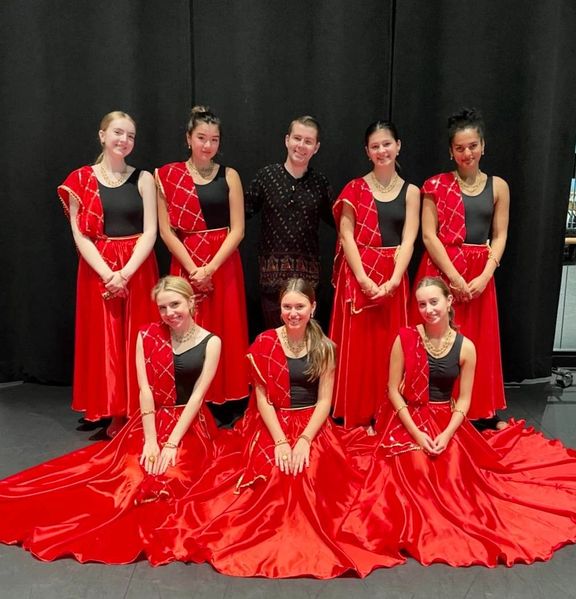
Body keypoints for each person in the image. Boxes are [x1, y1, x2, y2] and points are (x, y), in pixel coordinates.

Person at [341, 277, 576, 567]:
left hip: (445, 421)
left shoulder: (466, 348)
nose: (428, 309)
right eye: (422, 304)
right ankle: (416, 528)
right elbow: (392, 390)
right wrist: (415, 432)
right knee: (414, 465)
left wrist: (448, 433)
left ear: (449, 302)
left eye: (434, 302)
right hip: (406, 419)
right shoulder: (405, 338)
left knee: (450, 473)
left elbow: (463, 400)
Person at [152, 278, 400, 577]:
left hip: (312, 426)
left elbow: (324, 402)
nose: (293, 313)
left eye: (300, 306)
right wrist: (282, 441)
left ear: (313, 307)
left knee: (309, 473)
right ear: (279, 308)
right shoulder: (264, 343)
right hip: (272, 424)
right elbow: (264, 400)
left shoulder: (326, 347)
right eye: (287, 307)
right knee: (275, 473)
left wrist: (306, 439)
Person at [0, 276, 240, 564]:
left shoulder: (211, 342)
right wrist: (152, 440)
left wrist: (172, 444)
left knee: (172, 478)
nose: (169, 313)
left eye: (175, 304)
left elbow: (198, 396)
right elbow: (145, 389)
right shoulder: (146, 335)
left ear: (190, 301)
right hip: (150, 421)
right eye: (162, 308)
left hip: (189, 426)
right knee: (131, 474)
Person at [57, 110, 158, 437]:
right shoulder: (80, 180)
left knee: (137, 341)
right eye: (118, 132)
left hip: (137, 269)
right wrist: (108, 274)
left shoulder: (143, 179)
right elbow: (79, 235)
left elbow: (151, 232)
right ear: (102, 135)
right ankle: (112, 408)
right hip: (97, 270)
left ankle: (137, 409)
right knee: (106, 342)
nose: (124, 140)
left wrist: (125, 273)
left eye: (130, 135)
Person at [413, 108, 509, 429]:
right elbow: (428, 235)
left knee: (477, 342)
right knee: (436, 341)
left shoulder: (498, 187)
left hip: (481, 275)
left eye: (472, 146)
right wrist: (453, 276)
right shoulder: (435, 185)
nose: (467, 153)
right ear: (450, 151)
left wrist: (485, 275)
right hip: (441, 272)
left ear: (483, 146)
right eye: (460, 148)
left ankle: (479, 411)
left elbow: (500, 234)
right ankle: (430, 408)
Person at [156, 106, 248, 410]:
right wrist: (194, 268)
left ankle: (226, 396)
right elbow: (167, 232)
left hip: (223, 263)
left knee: (226, 327)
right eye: (201, 138)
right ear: (188, 138)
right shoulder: (167, 176)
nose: (207, 145)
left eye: (214, 139)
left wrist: (210, 267)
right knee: (189, 327)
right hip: (186, 262)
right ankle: (191, 398)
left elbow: (238, 230)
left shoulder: (230, 175)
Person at [329, 120, 419, 429]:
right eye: (375, 146)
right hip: (358, 277)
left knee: (390, 347)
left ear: (398, 146)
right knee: (358, 349)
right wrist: (364, 279)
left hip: (394, 278)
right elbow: (346, 236)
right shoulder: (354, 189)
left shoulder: (411, 192)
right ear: (367, 151)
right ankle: (355, 411)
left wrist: (394, 280)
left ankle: (387, 412)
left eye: (387, 144)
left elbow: (409, 239)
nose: (382, 150)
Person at [245, 115, 333, 328]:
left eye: (308, 141)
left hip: (307, 283)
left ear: (316, 147)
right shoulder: (266, 177)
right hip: (271, 282)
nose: (301, 145)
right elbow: (239, 215)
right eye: (297, 138)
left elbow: (341, 222)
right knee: (274, 343)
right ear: (287, 140)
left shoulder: (320, 184)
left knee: (304, 344)